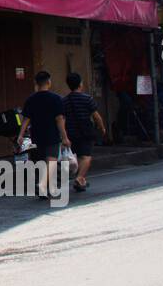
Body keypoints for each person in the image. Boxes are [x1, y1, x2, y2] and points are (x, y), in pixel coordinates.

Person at [15, 70, 69, 199]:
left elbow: (26, 119)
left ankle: (44, 187)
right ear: (49, 82)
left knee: (41, 162)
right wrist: (65, 137)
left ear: (36, 83)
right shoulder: (56, 99)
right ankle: (43, 186)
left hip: (37, 136)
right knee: (51, 162)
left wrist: (20, 135)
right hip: (52, 135)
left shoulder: (31, 99)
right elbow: (59, 119)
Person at [63, 72, 107, 193]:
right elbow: (96, 116)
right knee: (86, 156)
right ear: (80, 84)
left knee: (76, 155)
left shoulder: (64, 101)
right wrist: (102, 128)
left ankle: (81, 181)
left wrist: (63, 135)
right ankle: (79, 178)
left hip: (70, 132)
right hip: (85, 131)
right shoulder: (87, 98)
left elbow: (62, 119)